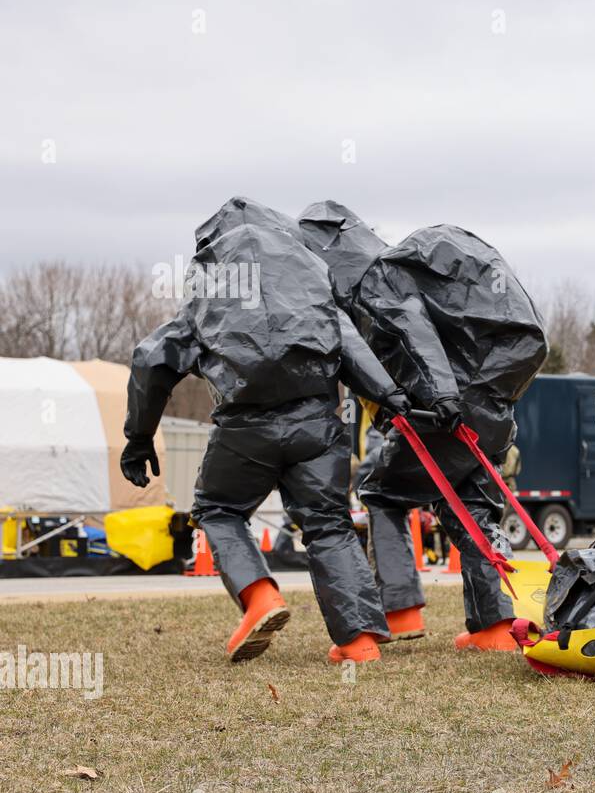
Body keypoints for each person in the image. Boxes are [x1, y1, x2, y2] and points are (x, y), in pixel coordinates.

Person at [122, 199, 410, 664]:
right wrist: (390, 397)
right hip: (317, 425)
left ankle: (260, 598)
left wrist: (138, 438)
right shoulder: (310, 282)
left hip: (245, 428)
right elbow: (348, 342)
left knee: (218, 508)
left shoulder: (212, 289)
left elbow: (151, 359)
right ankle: (358, 641)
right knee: (328, 525)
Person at [299, 202, 547, 651]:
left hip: (458, 402)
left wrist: (442, 395)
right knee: (469, 510)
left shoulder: (380, 277)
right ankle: (495, 627)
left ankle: (399, 609)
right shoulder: (405, 268)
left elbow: (414, 330)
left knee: (380, 491)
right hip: (492, 405)